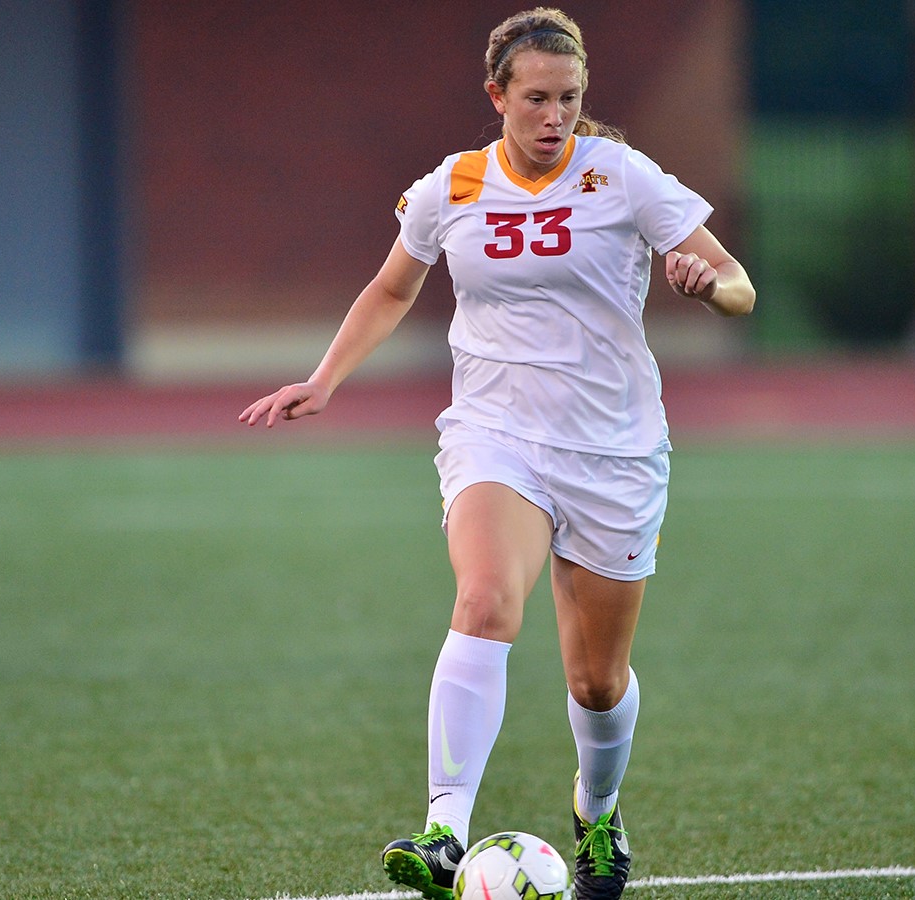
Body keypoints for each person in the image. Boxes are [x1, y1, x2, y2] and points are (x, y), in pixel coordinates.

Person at [241, 8, 753, 899]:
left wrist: (711, 288)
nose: (556, 116)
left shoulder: (622, 177)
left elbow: (741, 287)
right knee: (482, 600)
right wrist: (326, 379)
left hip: (614, 452)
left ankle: (597, 811)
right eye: (537, 99)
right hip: (495, 435)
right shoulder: (454, 186)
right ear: (498, 97)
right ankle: (444, 831)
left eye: (570, 99)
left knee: (597, 682)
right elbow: (392, 287)